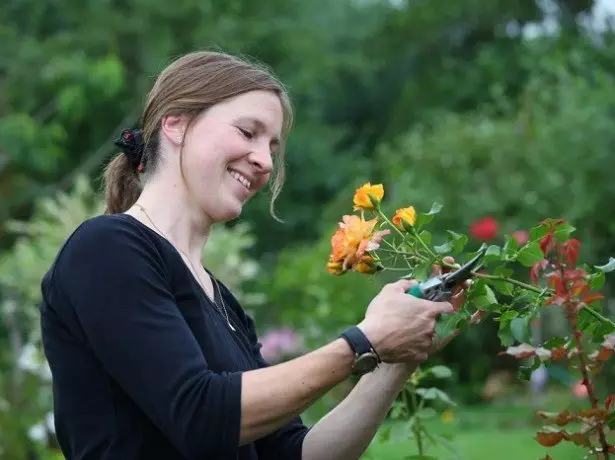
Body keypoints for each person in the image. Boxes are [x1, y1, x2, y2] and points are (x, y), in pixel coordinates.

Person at [39, 50, 464, 460]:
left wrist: (398, 357)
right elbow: (199, 416)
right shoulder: (107, 248)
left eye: (273, 149)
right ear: (176, 124)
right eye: (247, 132)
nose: (263, 161)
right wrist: (364, 340)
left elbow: (296, 454)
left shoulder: (222, 301)